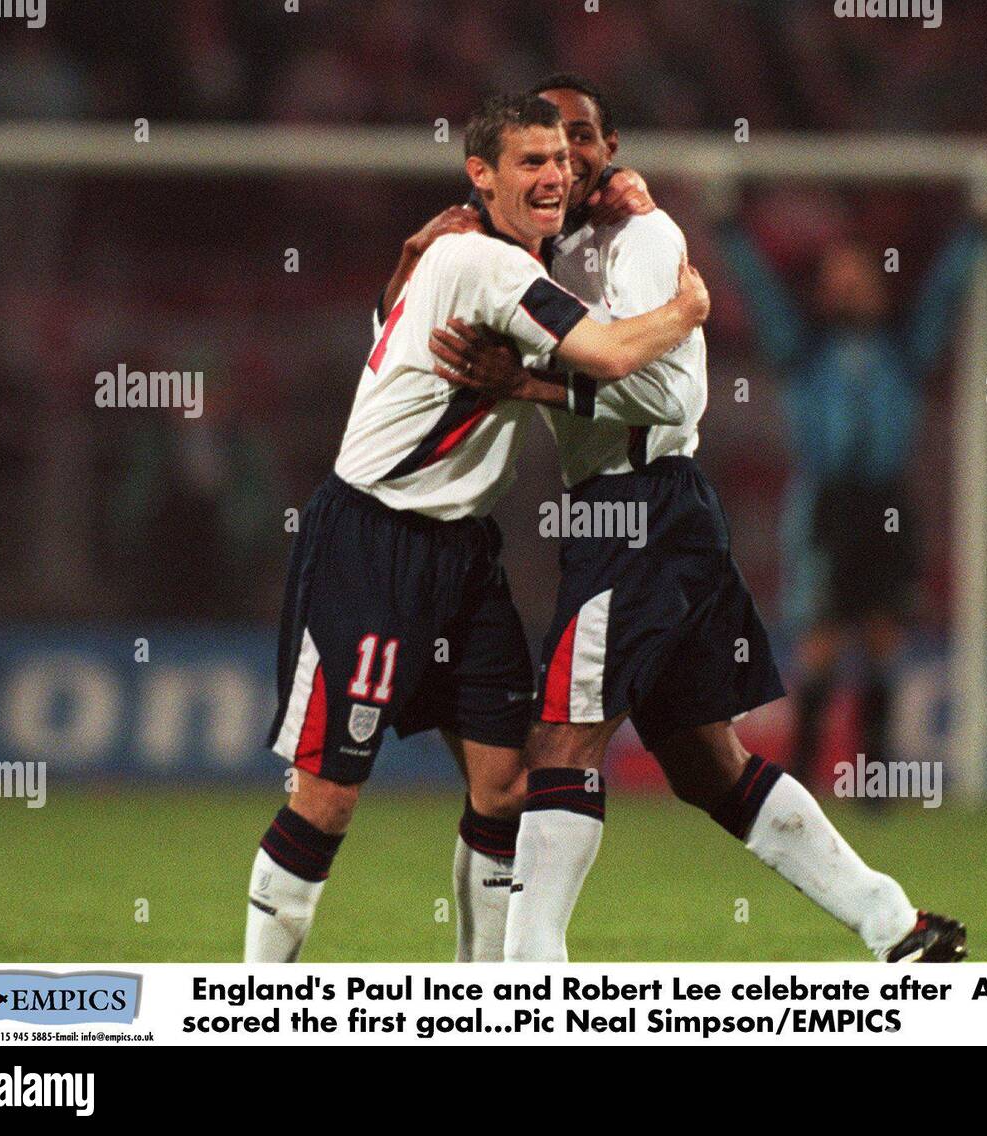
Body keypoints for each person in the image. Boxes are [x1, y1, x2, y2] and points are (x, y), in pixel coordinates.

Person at [428, 75, 967, 964]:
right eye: (548, 144)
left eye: (581, 139)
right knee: (705, 763)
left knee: (564, 733)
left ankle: (524, 976)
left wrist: (525, 381)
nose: (565, 158)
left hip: (640, 504)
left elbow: (669, 391)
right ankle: (893, 923)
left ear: (611, 150)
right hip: (640, 512)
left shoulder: (643, 237)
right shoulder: (537, 248)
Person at [244, 92, 710, 964]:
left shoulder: (490, 259)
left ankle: (478, 995)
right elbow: (610, 356)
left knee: (507, 788)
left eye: (563, 161)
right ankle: (253, 997)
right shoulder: (482, 264)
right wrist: (687, 312)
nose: (553, 176)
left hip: (463, 554)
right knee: (328, 798)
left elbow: (391, 325)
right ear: (480, 176)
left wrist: (630, 203)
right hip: (374, 544)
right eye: (530, 162)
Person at [716, 207, 987, 793]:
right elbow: (760, 294)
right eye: (837, 278)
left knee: (886, 637)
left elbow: (946, 293)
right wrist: (731, 232)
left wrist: (974, 232)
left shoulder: (904, 346)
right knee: (820, 640)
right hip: (828, 505)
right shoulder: (803, 349)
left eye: (858, 275)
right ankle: (803, 784)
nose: (848, 286)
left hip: (888, 504)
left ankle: (878, 782)